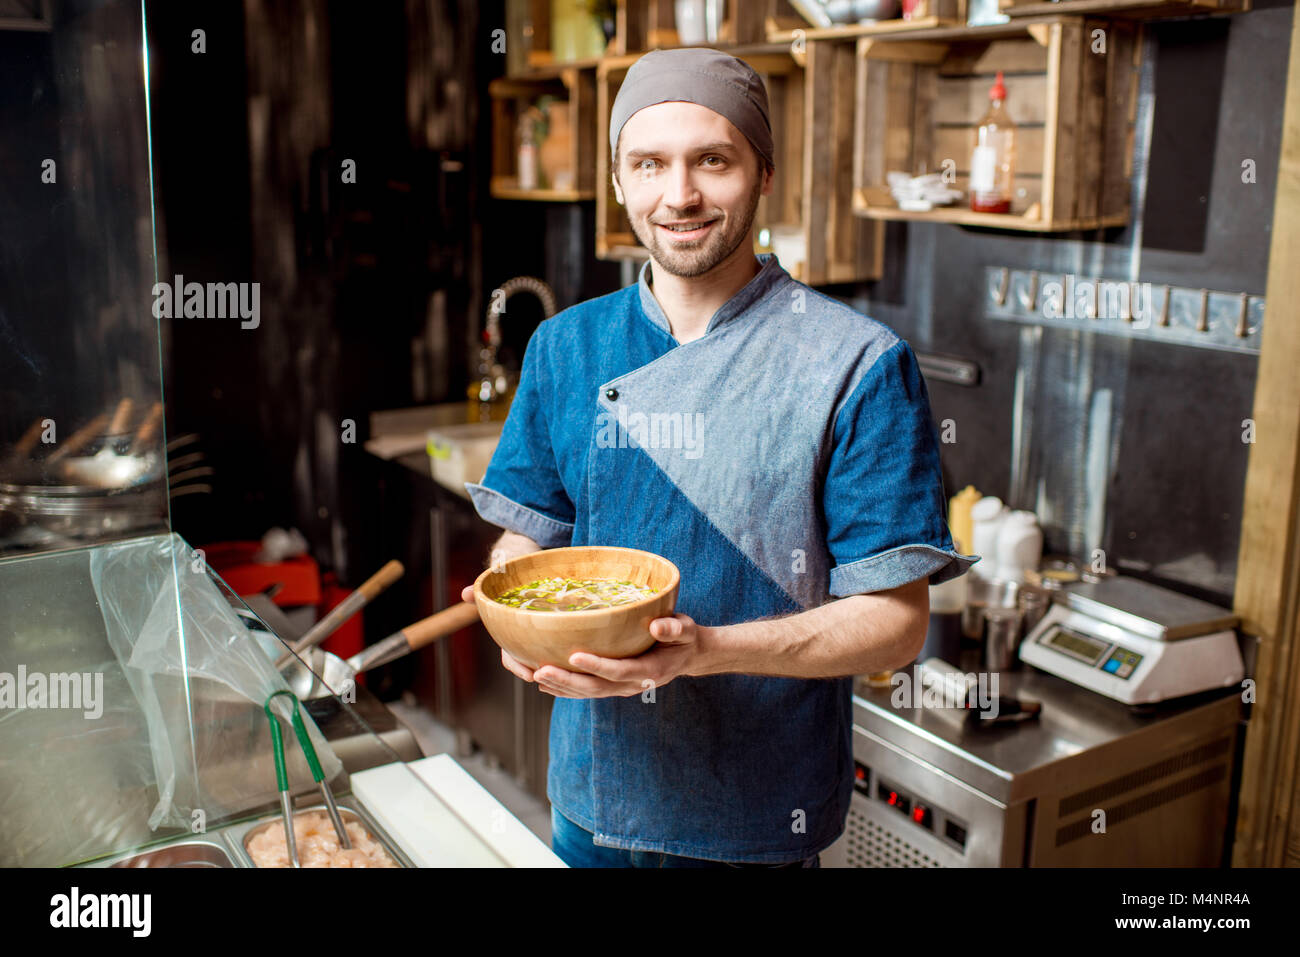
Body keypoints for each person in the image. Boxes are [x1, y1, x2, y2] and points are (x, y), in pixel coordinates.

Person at [462, 47, 976, 867]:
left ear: (764, 172)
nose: (680, 195)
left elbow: (896, 624)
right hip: (591, 802)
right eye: (649, 164)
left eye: (713, 160)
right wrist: (515, 612)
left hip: (757, 818)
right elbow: (527, 532)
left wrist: (708, 651)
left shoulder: (854, 362)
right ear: (620, 180)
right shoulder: (565, 346)